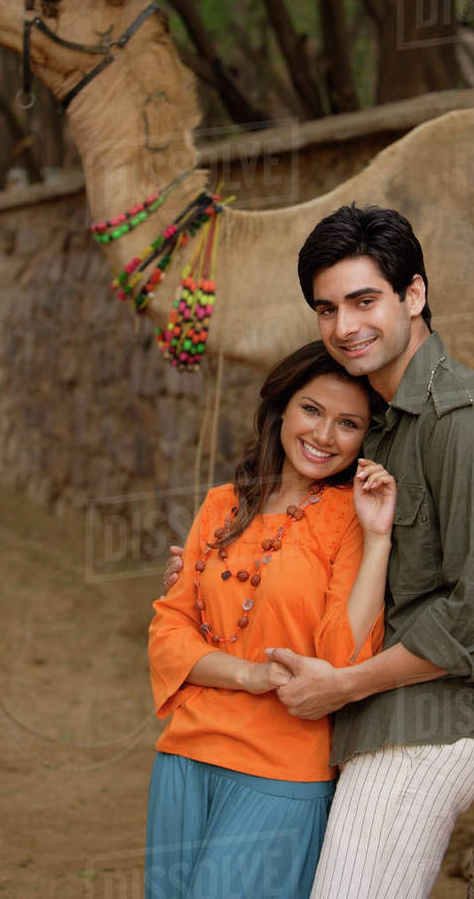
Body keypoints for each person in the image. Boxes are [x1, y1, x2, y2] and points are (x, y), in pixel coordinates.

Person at [164, 204, 474, 899]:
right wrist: (215, 566)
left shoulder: (467, 424)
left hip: (427, 725)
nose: (344, 327)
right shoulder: (374, 421)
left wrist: (344, 686)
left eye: (364, 301)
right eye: (327, 308)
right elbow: (310, 535)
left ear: (414, 295)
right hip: (361, 719)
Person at [146, 340, 396, 899]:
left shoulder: (348, 519)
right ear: (283, 408)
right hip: (185, 753)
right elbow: (169, 633)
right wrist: (250, 676)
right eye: (312, 410)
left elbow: (340, 658)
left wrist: (378, 537)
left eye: (348, 423)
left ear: (365, 437)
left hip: (281, 768)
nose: (324, 435)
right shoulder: (221, 505)